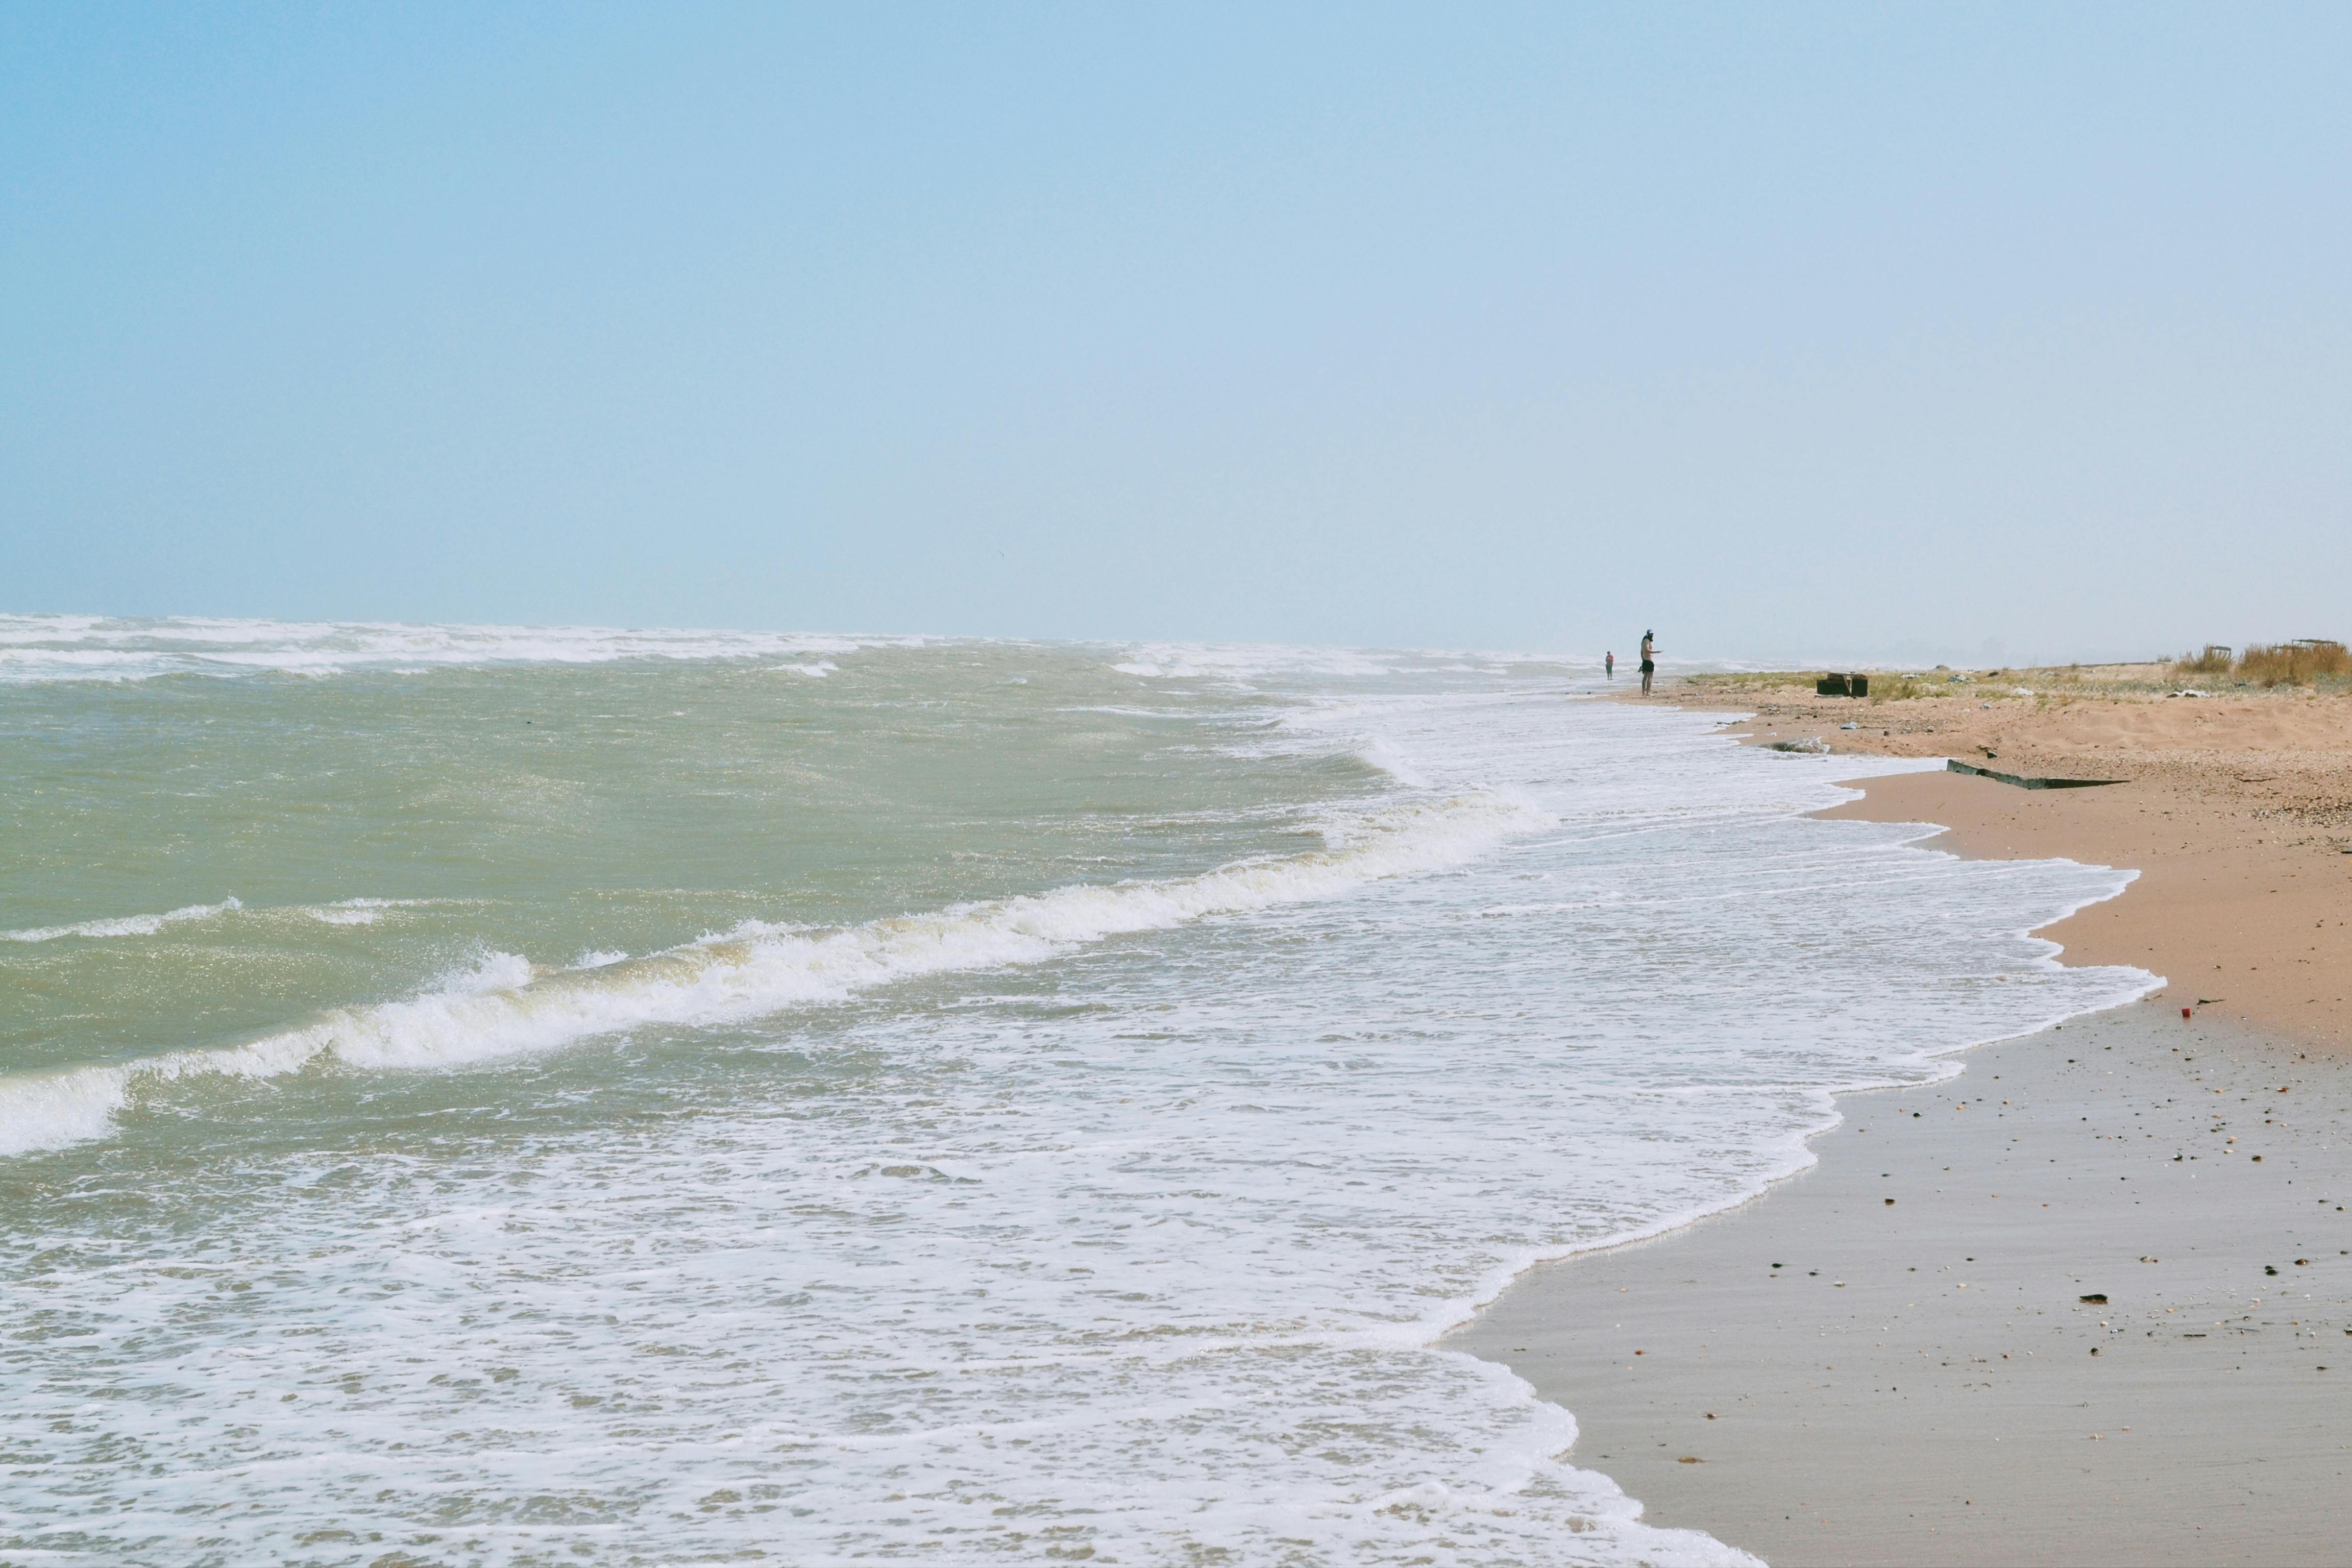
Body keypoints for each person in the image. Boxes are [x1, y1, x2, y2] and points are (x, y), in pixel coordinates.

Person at [1639, 630, 1657, 694]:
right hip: (1649, 660)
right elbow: (1647, 650)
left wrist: (1643, 660)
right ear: (1648, 634)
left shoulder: (1644, 641)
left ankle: (1644, 692)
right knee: (1650, 677)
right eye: (1651, 634)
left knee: (1646, 677)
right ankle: (1647, 692)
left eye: (1652, 634)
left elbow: (1642, 653)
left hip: (1646, 660)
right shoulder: (1647, 641)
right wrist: (1657, 652)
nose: (1652, 636)